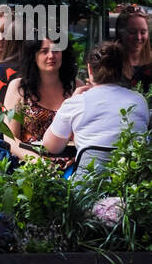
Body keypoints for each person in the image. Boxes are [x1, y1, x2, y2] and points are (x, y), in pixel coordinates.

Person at [42, 40, 150, 174]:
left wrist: (69, 102)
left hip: (88, 190)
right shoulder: (139, 101)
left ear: (90, 69)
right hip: (130, 188)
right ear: (123, 69)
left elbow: (51, 147)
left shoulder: (77, 103)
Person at [3, 36, 77, 161]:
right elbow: (9, 137)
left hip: (72, 167)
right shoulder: (19, 88)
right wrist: (36, 161)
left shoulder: (76, 87)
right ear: (33, 56)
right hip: (29, 166)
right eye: (44, 51)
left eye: (56, 50)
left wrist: (77, 159)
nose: (51, 56)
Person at [115, 8, 152, 91]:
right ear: (121, 32)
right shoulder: (110, 61)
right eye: (132, 32)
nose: (138, 37)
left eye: (143, 32)